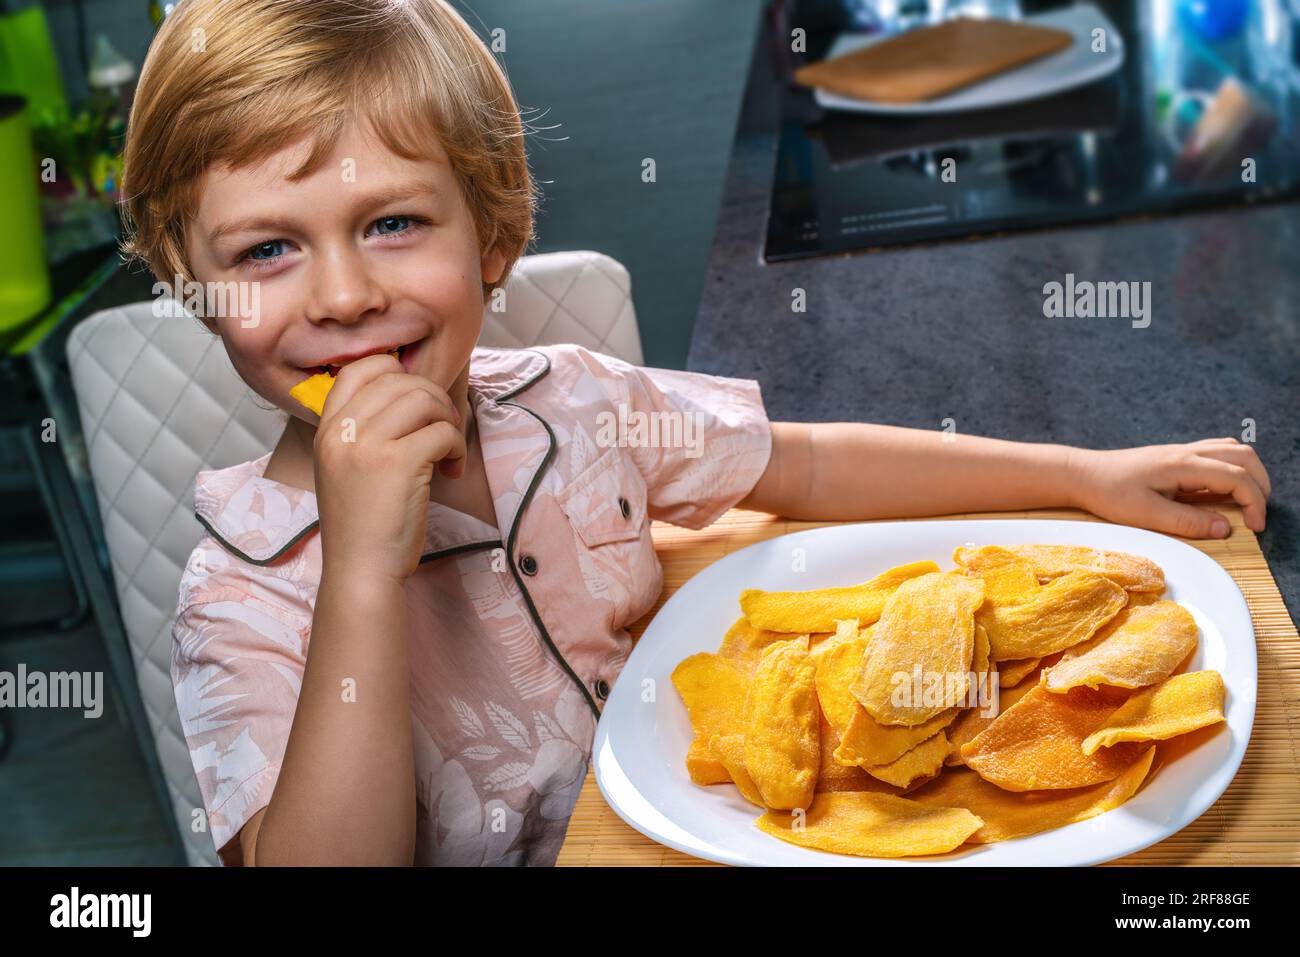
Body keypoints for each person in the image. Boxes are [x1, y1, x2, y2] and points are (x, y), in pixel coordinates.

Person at [118, 0, 1270, 866]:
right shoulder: (242, 596)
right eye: (266, 248)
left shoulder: (573, 405)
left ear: (494, 235)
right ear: (190, 280)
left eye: (393, 223)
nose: (343, 295)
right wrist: (364, 574)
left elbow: (804, 463)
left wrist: (1082, 475)